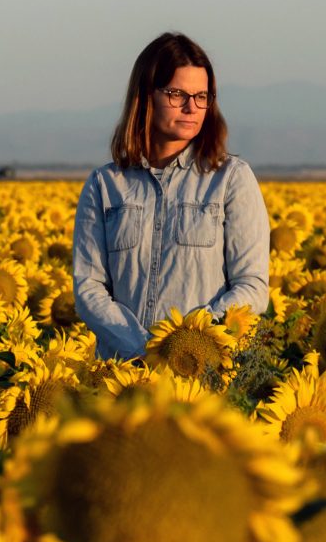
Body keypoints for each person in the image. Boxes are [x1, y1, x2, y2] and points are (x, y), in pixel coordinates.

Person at [71, 31, 270, 361]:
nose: (192, 107)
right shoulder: (105, 184)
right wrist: (144, 350)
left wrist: (187, 345)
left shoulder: (231, 180)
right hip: (124, 377)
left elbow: (252, 287)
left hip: (203, 374)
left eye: (202, 96)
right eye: (177, 94)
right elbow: (89, 288)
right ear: (146, 96)